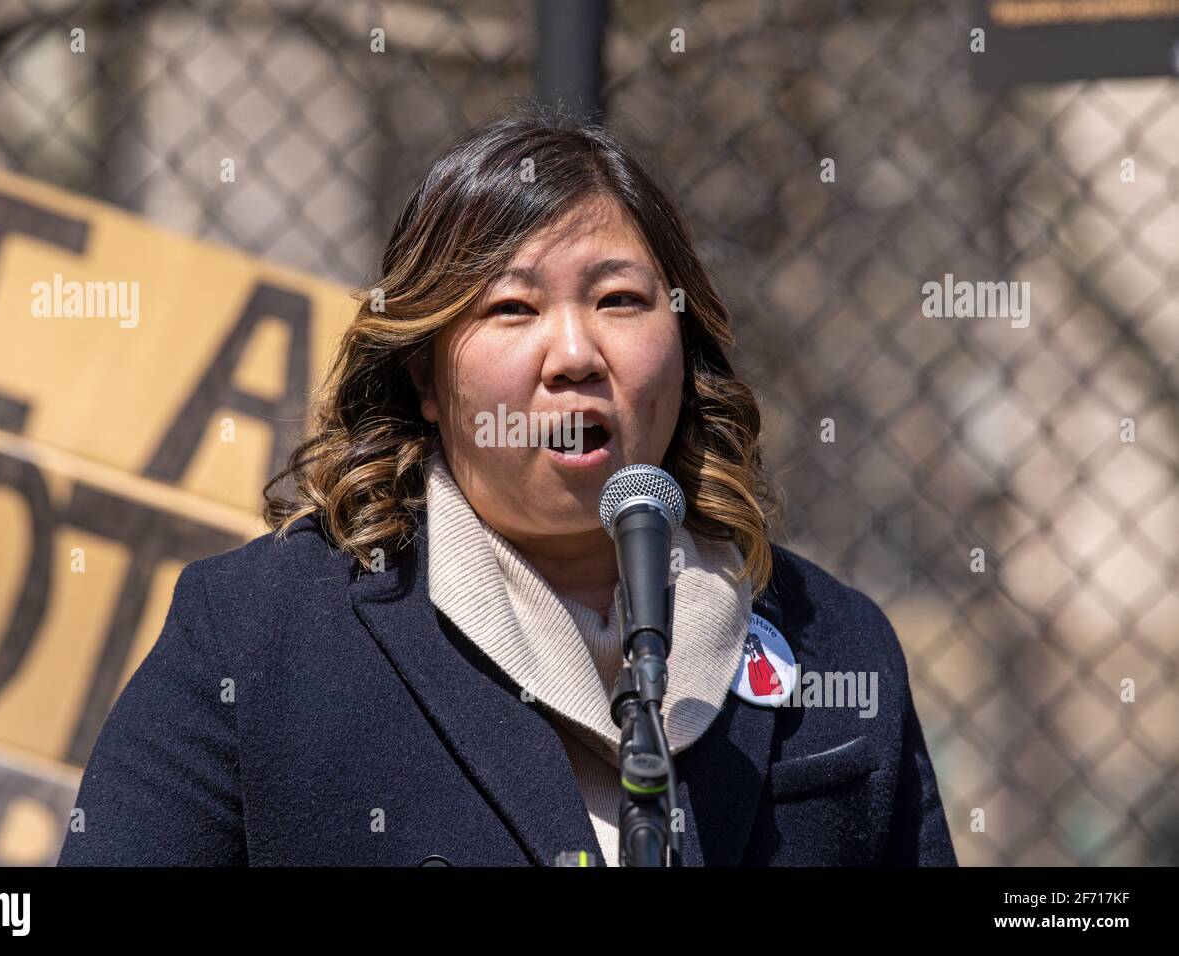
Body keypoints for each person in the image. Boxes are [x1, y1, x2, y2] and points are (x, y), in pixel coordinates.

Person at [58, 103, 957, 867]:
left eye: (619, 301)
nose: (574, 355)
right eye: (512, 309)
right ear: (424, 378)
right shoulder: (258, 635)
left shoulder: (834, 640)